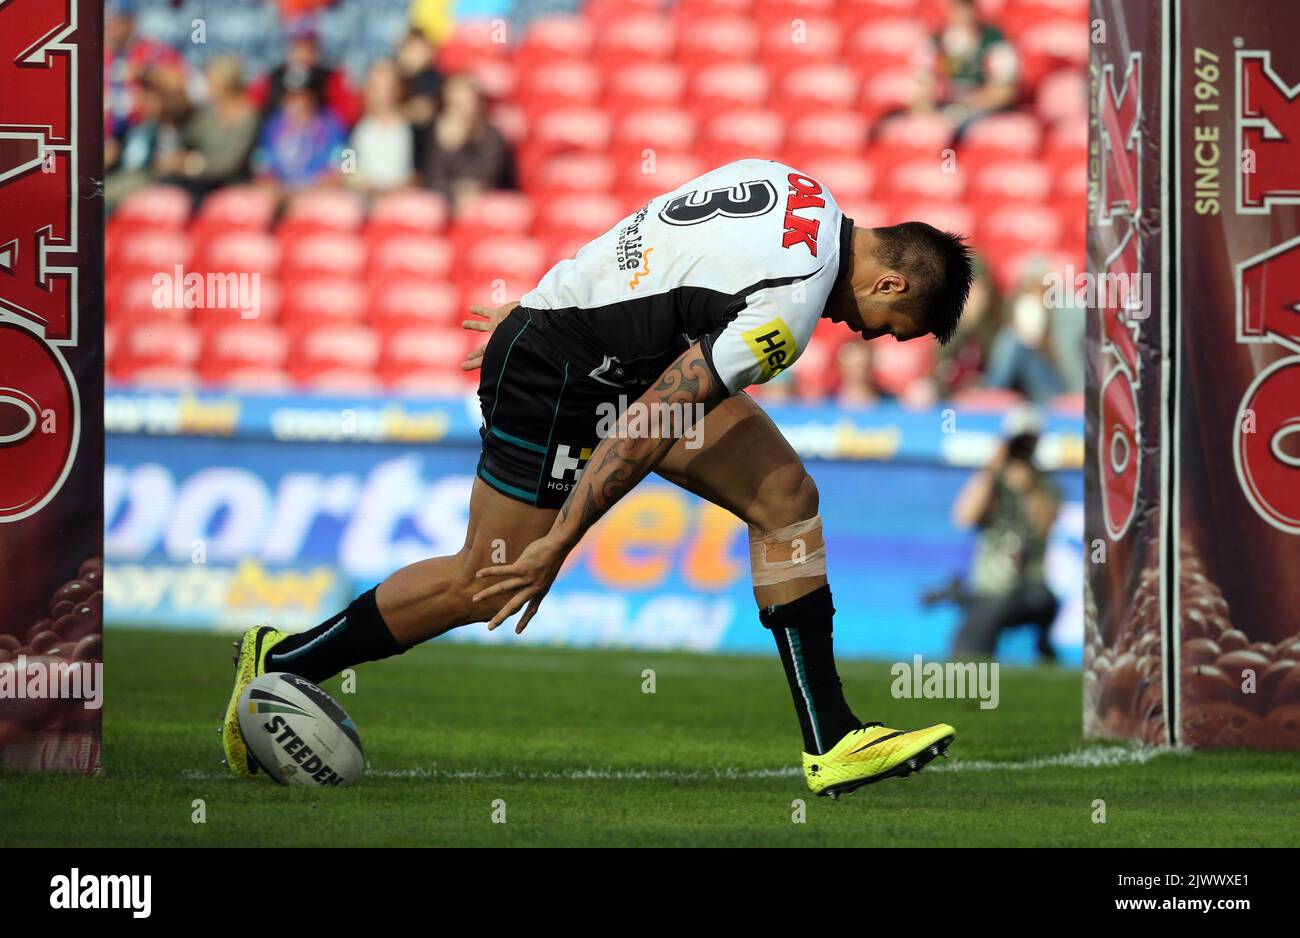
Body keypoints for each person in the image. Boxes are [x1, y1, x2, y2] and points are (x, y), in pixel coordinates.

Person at [222, 159, 973, 798]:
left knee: (785, 497)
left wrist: (559, 297)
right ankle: (283, 658)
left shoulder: (795, 183)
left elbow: (653, 240)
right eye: (882, 327)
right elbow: (649, 421)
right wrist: (562, 539)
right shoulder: (792, 308)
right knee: (491, 575)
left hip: (600, 352)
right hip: (556, 375)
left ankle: (834, 739)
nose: (864, 334)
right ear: (893, 287)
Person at [950, 405, 1061, 662]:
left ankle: (1044, 653)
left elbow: (1046, 527)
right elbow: (963, 518)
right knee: (968, 643)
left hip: (1030, 588)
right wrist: (992, 470)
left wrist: (1029, 488)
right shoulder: (991, 482)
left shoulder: (1044, 485)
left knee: (988, 619)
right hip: (989, 588)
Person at [421, 74, 514, 209]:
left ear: (478, 103)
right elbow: (432, 178)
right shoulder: (435, 132)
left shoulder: (492, 135)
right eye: (456, 103)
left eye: (467, 102)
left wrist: (461, 144)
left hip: (484, 199)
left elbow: (487, 176)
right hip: (447, 200)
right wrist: (448, 148)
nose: (462, 109)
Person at [346, 61, 416, 193]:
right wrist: (357, 184)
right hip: (364, 198)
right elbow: (347, 169)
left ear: (399, 89)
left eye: (389, 87)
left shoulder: (413, 129)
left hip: (401, 198)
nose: (383, 93)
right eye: (377, 87)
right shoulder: (353, 127)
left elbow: (418, 173)